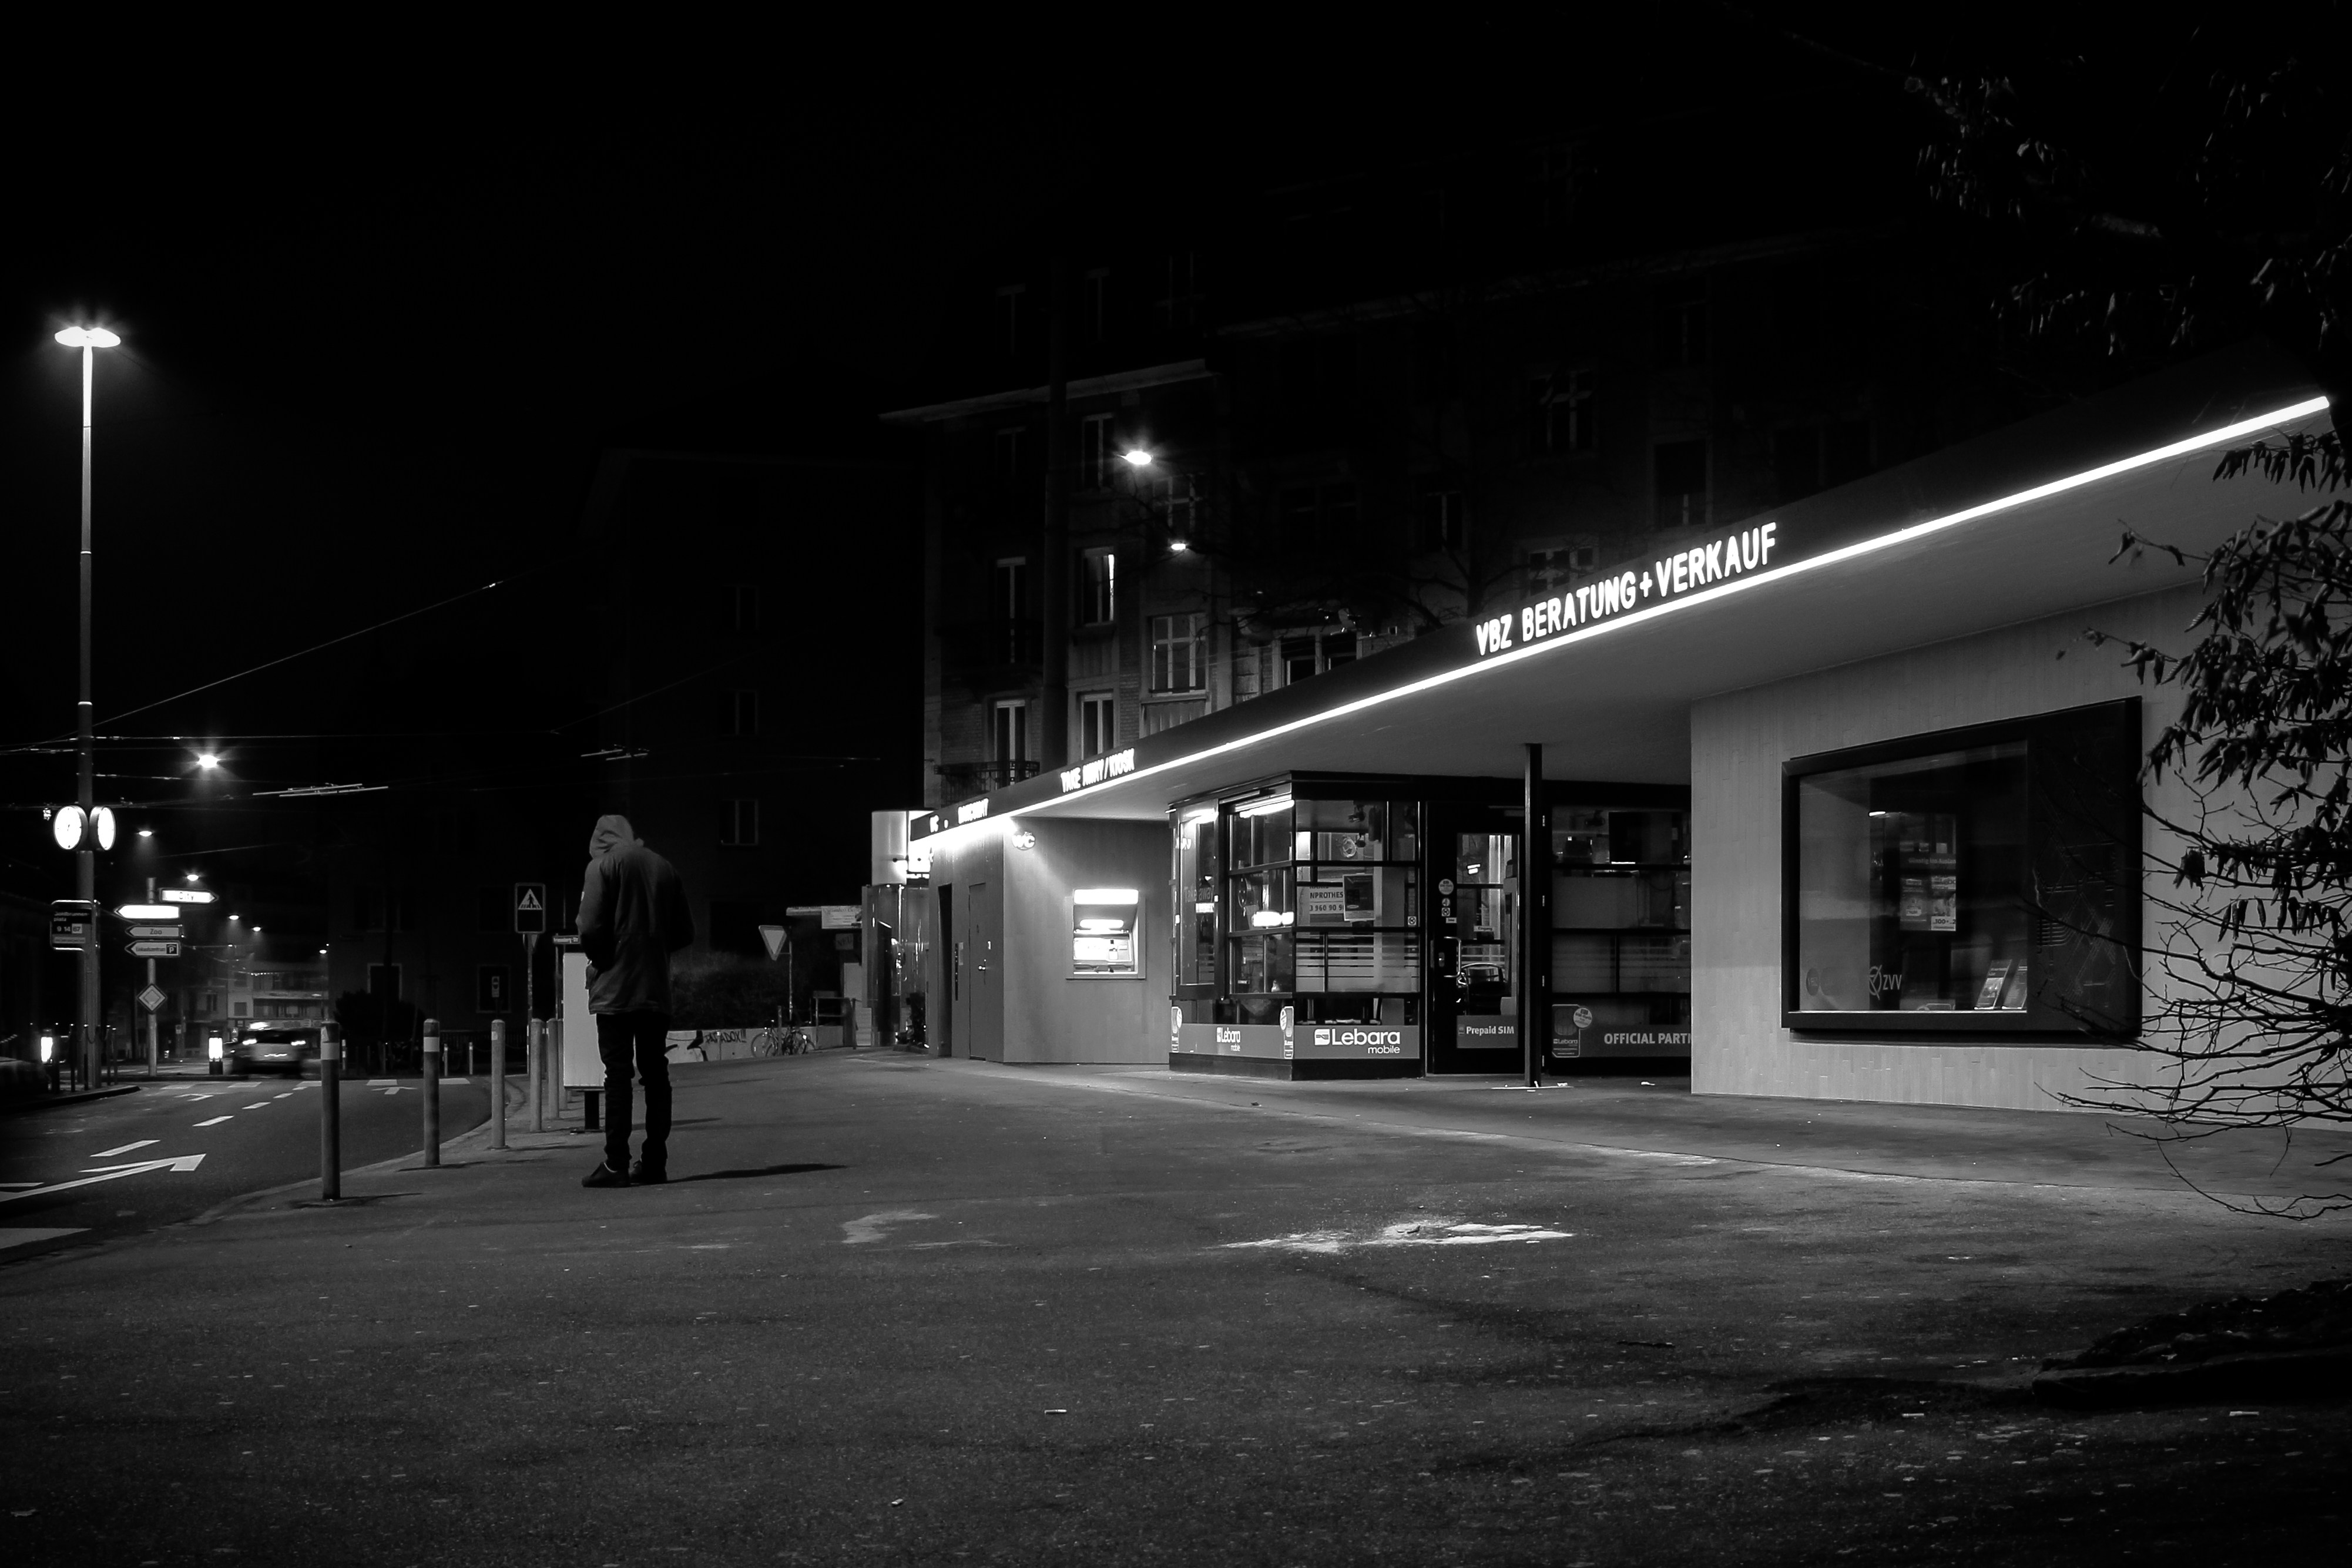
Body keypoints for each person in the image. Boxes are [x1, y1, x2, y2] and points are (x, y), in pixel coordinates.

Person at [575, 813, 695, 1187]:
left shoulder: (602, 866)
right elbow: (685, 931)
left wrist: (602, 960)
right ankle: (655, 1162)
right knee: (656, 1073)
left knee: (618, 1076)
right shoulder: (664, 867)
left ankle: (615, 1164)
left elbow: (590, 928)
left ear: (600, 841)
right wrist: (654, 952)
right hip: (654, 988)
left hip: (615, 990)